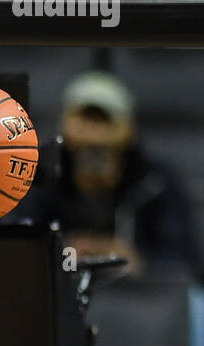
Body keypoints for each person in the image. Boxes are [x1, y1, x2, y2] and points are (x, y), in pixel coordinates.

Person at [20, 71, 200, 275]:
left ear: (129, 130)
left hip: (141, 301)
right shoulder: (41, 179)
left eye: (104, 121)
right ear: (64, 127)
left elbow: (185, 260)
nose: (95, 136)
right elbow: (18, 251)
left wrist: (138, 261)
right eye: (86, 120)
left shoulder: (156, 184)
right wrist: (62, 253)